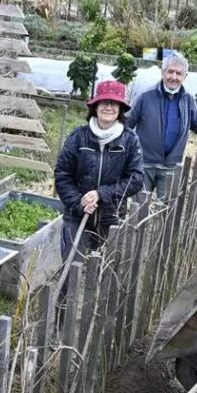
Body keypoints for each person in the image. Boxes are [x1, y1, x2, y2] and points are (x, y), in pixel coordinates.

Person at [54, 79, 144, 266]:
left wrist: (102, 194)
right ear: (95, 106)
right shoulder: (79, 137)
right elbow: (63, 175)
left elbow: (136, 179)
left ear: (120, 109)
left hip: (111, 216)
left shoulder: (129, 140)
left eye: (114, 103)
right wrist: (80, 202)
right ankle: (67, 296)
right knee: (71, 268)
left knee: (105, 271)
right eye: (104, 102)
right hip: (77, 215)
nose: (108, 107)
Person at [125, 53, 197, 200]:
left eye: (178, 73)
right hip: (144, 164)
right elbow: (127, 125)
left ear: (185, 76)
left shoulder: (188, 100)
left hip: (171, 166)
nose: (174, 77)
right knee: (139, 209)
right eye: (170, 71)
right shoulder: (145, 96)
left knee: (165, 211)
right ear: (163, 72)